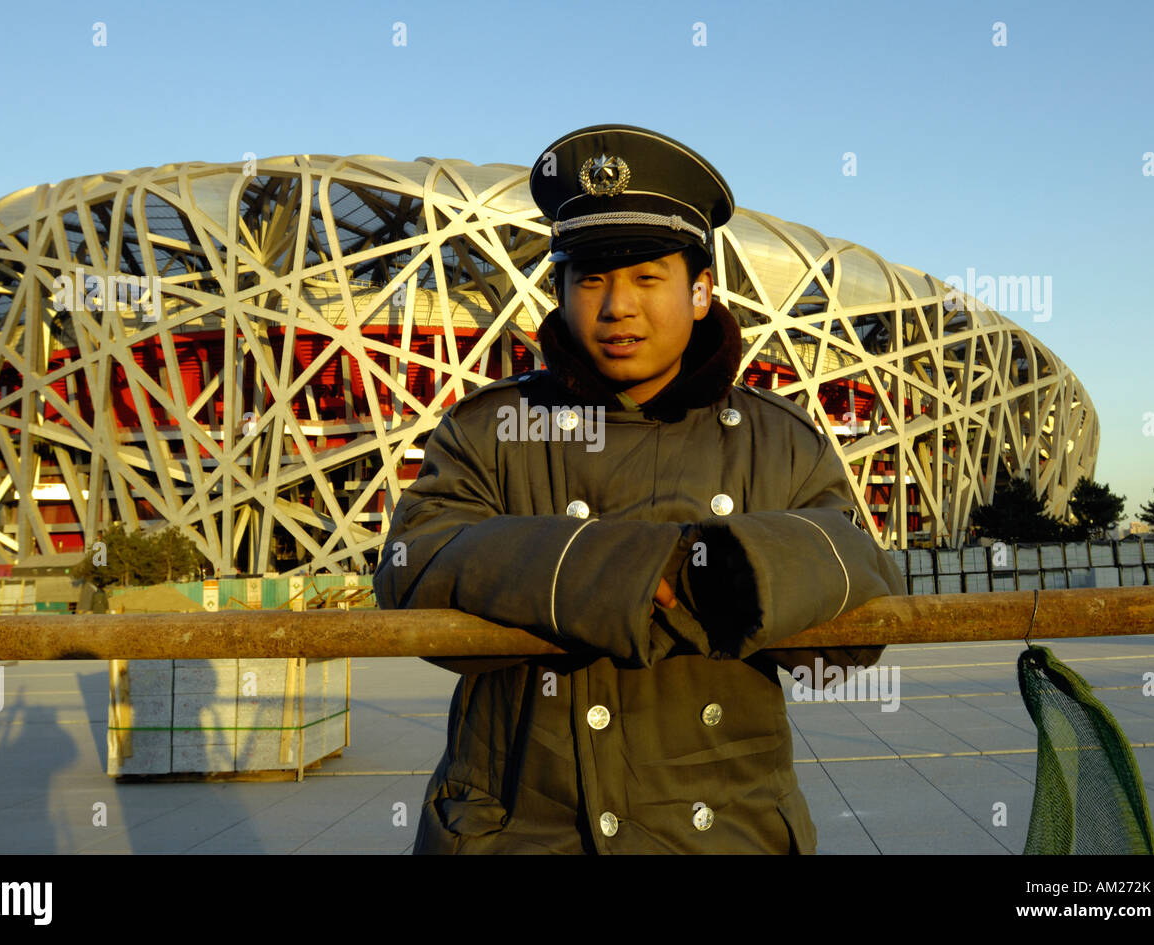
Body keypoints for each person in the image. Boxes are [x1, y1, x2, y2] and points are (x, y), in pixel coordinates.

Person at [373, 124, 906, 853]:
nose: (617, 305)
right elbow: (413, 570)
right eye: (590, 278)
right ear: (558, 290)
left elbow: (864, 593)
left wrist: (727, 571)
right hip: (517, 835)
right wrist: (633, 573)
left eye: (647, 277)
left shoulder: (778, 439)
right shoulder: (490, 430)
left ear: (700, 290)